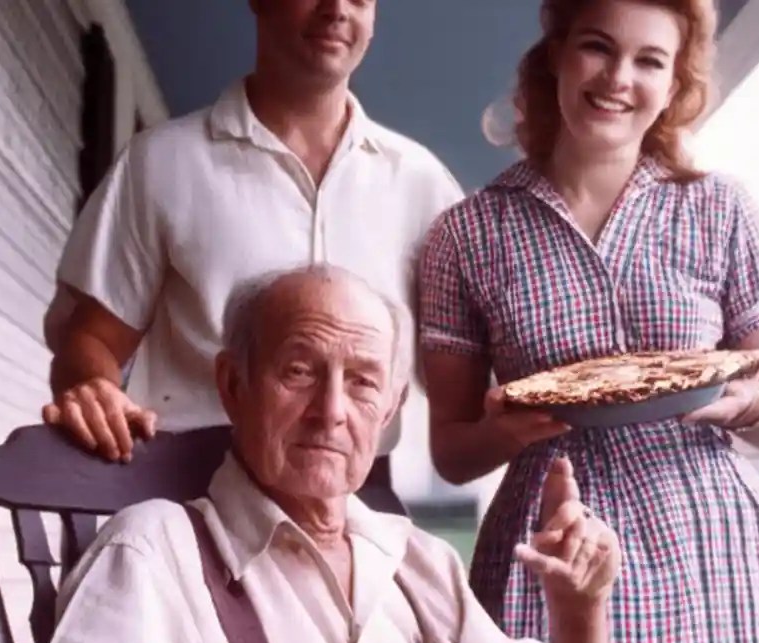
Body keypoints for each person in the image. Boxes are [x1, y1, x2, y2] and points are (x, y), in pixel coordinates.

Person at [418, 0, 759, 643]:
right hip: (556, 534)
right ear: (556, 55)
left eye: (649, 60)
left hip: (708, 540)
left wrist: (746, 403)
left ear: (674, 85)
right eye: (598, 48)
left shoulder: (722, 211)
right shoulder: (467, 234)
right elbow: (452, 451)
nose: (618, 78)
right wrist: (507, 429)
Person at [16, 266, 624, 643]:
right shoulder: (156, 553)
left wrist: (579, 613)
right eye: (299, 371)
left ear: (390, 409)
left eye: (362, 382)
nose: (330, 412)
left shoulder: (419, 566)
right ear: (233, 384)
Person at [41, 0, 462, 502]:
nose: (336, 10)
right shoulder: (163, 163)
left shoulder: (422, 184)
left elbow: (461, 375)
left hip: (356, 507)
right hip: (191, 501)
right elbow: (91, 341)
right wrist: (91, 385)